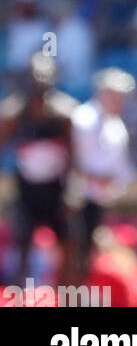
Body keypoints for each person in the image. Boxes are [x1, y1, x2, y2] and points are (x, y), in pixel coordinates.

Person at [0, 53, 77, 285]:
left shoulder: (65, 113)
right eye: (35, 75)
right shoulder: (13, 113)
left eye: (45, 76)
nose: (39, 81)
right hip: (27, 188)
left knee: (67, 241)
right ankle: (17, 293)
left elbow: (74, 155)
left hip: (56, 189)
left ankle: (63, 292)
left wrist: (73, 190)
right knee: (22, 240)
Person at [66, 68, 137, 283]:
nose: (120, 100)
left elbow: (123, 171)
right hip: (73, 200)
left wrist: (110, 183)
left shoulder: (117, 128)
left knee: (89, 254)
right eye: (116, 95)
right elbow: (70, 159)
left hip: (99, 201)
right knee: (72, 252)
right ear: (102, 92)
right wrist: (93, 178)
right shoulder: (81, 119)